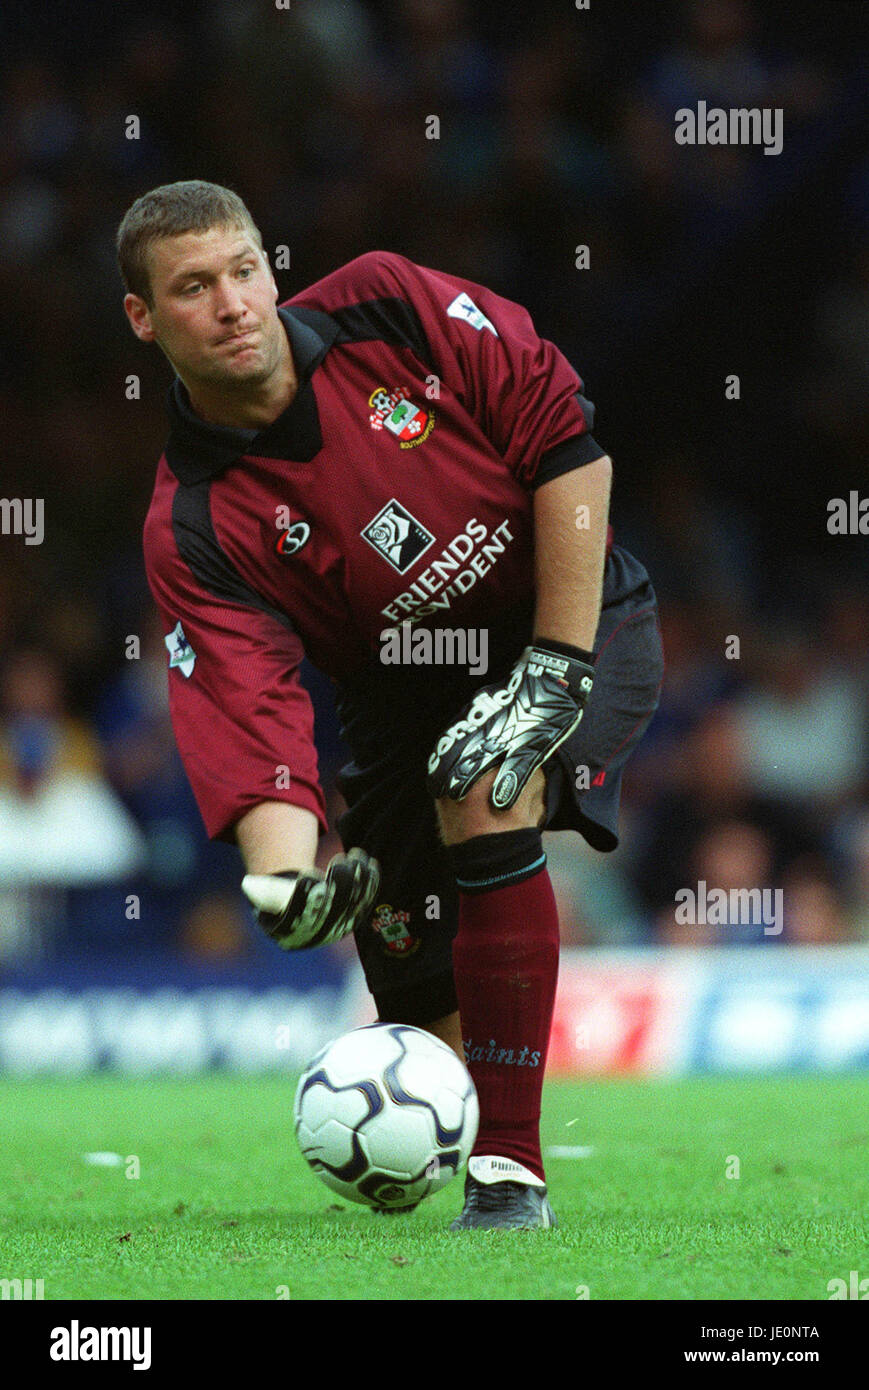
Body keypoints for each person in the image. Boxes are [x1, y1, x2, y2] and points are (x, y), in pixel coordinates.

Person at [118, 179, 664, 1229]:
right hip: (395, 701)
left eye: (243, 270)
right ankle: (448, 1134)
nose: (233, 303)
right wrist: (283, 877)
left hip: (569, 614)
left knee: (484, 779)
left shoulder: (385, 304)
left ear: (268, 266)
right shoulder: (191, 524)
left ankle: (510, 1174)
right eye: (194, 287)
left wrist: (551, 664)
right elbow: (249, 706)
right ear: (144, 318)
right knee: (416, 994)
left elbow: (566, 443)